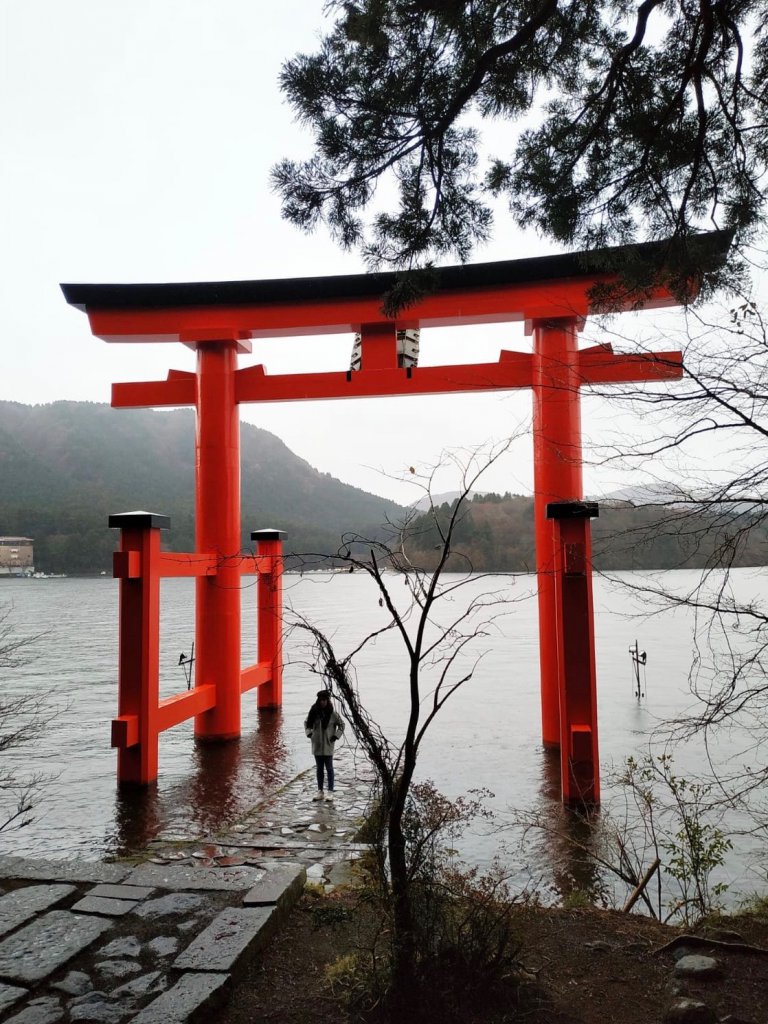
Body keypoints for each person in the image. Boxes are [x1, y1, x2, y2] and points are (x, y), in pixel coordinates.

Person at [304, 689, 344, 802]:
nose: (322, 702)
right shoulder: (313, 712)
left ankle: (330, 792)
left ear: (328, 700)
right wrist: (309, 733)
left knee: (329, 768)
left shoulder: (332, 714)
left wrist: (336, 736)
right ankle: (320, 791)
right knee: (319, 769)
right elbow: (307, 723)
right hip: (317, 744)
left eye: (324, 700)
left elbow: (342, 725)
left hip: (328, 745)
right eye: (321, 700)